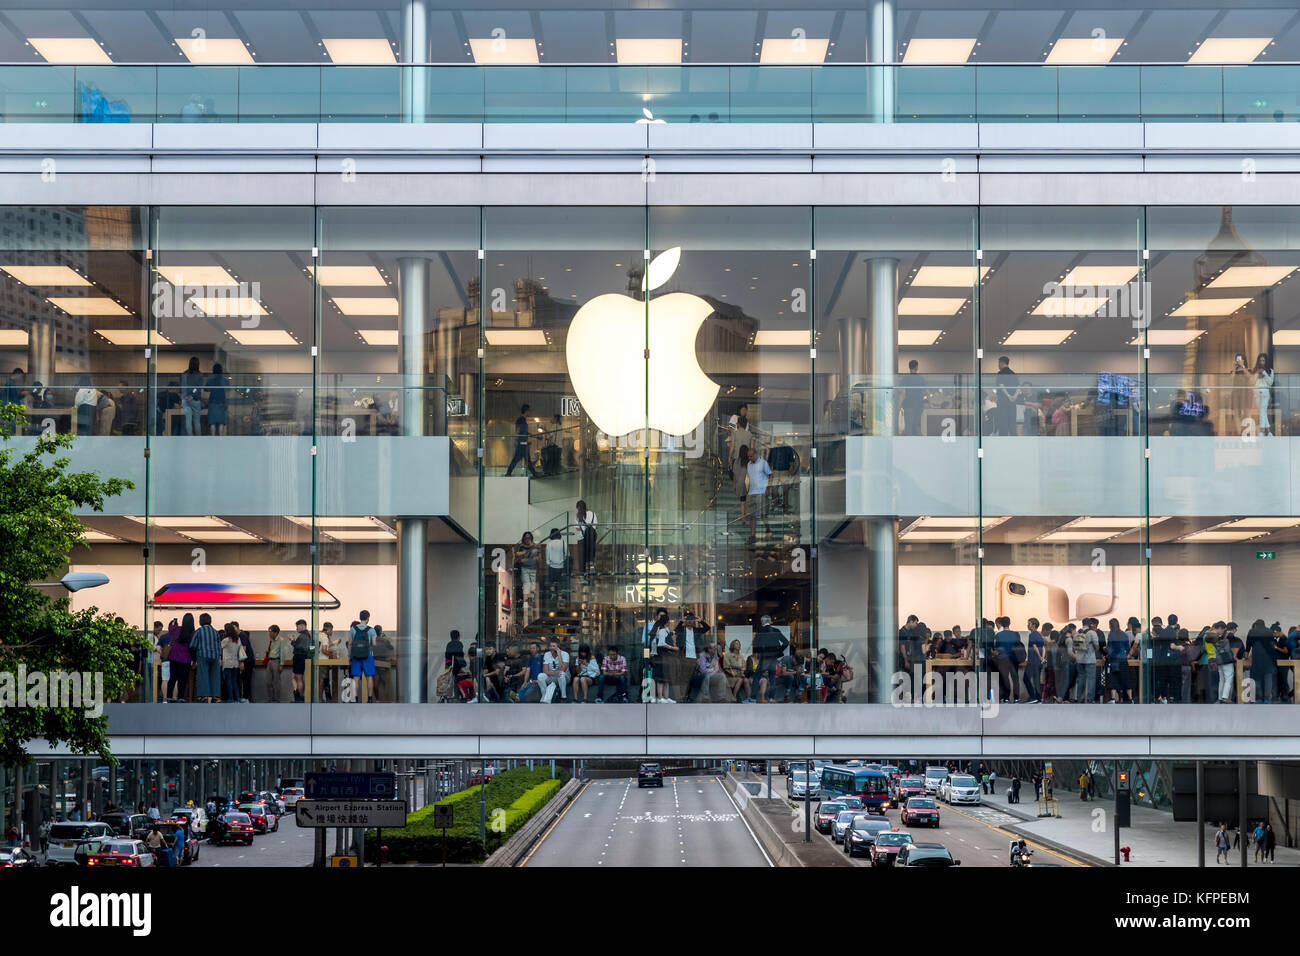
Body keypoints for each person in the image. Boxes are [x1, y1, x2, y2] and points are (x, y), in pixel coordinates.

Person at [749, 615, 788, 702]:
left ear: (762, 622)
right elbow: (786, 642)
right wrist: (778, 652)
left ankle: (752, 698)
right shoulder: (776, 630)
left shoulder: (761, 631)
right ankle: (771, 698)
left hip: (765, 657)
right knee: (772, 677)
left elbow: (755, 645)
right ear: (770, 621)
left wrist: (759, 652)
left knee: (756, 677)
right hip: (773, 657)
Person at [675, 609, 709, 700]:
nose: (689, 621)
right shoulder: (682, 630)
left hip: (694, 657)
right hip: (684, 657)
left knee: (691, 678)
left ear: (694, 621)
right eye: (688, 619)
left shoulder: (696, 630)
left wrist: (700, 620)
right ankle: (683, 696)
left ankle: (688, 695)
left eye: (691, 619)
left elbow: (707, 628)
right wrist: (681, 621)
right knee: (683, 677)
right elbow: (676, 630)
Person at [190, 612, 222, 703]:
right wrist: (219, 656)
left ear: (200, 621)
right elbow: (219, 645)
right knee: (215, 676)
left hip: (203, 655)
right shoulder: (215, 632)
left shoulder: (199, 631)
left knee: (203, 675)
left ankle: (204, 696)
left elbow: (192, 645)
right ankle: (215, 696)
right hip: (215, 656)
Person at [646, 610, 677, 701]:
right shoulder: (660, 629)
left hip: (662, 655)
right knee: (661, 677)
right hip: (660, 655)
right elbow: (650, 643)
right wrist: (673, 648)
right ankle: (660, 697)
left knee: (664, 677)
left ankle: (665, 697)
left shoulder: (662, 629)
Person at [1246, 618, 1278, 703]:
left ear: (1256, 625)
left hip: (1257, 658)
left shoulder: (1252, 631)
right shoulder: (1269, 631)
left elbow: (1248, 644)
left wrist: (1246, 655)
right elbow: (1272, 644)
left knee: (1258, 679)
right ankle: (1267, 699)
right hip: (1268, 659)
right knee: (1268, 679)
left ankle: (1259, 698)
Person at [745, 443, 773, 540]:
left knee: (763, 514)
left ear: (756, 454)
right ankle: (753, 535)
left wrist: (768, 488)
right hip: (751, 492)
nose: (750, 458)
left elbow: (770, 475)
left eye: (751, 456)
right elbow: (749, 477)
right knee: (752, 515)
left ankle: (768, 529)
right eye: (748, 456)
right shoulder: (748, 464)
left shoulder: (763, 463)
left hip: (761, 491)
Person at [349, 610, 377, 703]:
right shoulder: (371, 630)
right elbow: (374, 644)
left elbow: (350, 644)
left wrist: (350, 656)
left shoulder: (353, 629)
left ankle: (356, 699)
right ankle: (369, 699)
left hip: (356, 656)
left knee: (356, 678)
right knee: (369, 677)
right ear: (368, 618)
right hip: (368, 656)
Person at [504, 403, 536, 477]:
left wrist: (535, 436)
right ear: (526, 411)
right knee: (519, 459)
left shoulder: (523, 420)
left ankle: (534, 473)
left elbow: (524, 432)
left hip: (523, 443)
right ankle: (508, 473)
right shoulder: (521, 420)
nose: (530, 412)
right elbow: (518, 430)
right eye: (529, 411)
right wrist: (516, 441)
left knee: (525, 460)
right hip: (521, 443)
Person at [993, 616, 1021, 703]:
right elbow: (1018, 646)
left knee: (1005, 678)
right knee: (1015, 678)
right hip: (1013, 658)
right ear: (1010, 623)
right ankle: (1016, 697)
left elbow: (996, 648)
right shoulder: (1016, 634)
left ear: (1001, 623)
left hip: (1002, 659)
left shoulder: (998, 635)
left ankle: (1006, 697)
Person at [514, 532, 539, 622]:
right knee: (526, 585)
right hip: (525, 568)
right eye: (526, 538)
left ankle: (530, 602)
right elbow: (517, 554)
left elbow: (539, 557)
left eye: (529, 537)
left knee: (533, 587)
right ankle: (525, 603)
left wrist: (537, 558)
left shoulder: (535, 546)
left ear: (531, 538)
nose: (527, 539)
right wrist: (523, 556)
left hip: (533, 569)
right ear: (524, 538)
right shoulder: (522, 547)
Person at [220, 623, 245, 702]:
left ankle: (231, 698)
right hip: (235, 663)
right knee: (234, 682)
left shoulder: (225, 640)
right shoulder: (238, 639)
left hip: (227, 664)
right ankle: (237, 698)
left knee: (228, 682)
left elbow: (219, 648)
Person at [290, 619, 314, 702]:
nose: (296, 629)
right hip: (302, 659)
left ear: (302, 626)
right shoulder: (308, 635)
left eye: (297, 626)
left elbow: (300, 647)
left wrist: (292, 640)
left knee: (299, 678)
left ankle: (299, 697)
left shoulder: (303, 636)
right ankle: (298, 695)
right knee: (294, 677)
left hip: (299, 658)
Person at [994, 355, 1018, 435]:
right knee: (1012, 422)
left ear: (1001, 363)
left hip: (1003, 401)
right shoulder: (1013, 373)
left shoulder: (1000, 373)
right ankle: (1014, 442)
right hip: (1013, 402)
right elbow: (1018, 387)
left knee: (1003, 422)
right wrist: (1014, 396)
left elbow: (1001, 385)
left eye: (998, 363)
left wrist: (1008, 396)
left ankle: (1003, 443)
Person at [265, 624, 289, 703]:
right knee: (268, 682)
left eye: (270, 631)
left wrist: (281, 665)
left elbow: (282, 653)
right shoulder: (271, 641)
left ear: (275, 632)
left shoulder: (281, 640)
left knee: (276, 682)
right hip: (270, 661)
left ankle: (276, 700)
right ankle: (270, 699)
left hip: (276, 662)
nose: (269, 633)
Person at [901, 359, 925, 436]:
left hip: (909, 405)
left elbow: (903, 392)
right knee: (916, 425)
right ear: (916, 367)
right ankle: (920, 443)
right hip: (919, 405)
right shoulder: (921, 378)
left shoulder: (905, 378)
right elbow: (925, 391)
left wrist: (899, 404)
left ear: (909, 367)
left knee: (908, 425)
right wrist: (929, 402)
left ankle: (910, 444)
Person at [180, 356, 203, 436]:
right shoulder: (199, 375)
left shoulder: (184, 374)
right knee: (196, 421)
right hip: (195, 400)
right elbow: (198, 388)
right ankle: (197, 439)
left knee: (188, 420)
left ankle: (190, 437)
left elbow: (183, 387)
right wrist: (192, 396)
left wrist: (186, 396)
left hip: (185, 400)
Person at [544, 527, 568, 604]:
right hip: (561, 566)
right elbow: (567, 554)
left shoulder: (549, 543)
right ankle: (560, 596)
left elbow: (547, 554)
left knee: (551, 581)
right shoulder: (563, 542)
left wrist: (548, 562)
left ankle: (553, 593)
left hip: (552, 566)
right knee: (560, 582)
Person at [1023, 618, 1044, 703]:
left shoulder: (1031, 635)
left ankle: (1033, 697)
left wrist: (1039, 657)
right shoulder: (1039, 635)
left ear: (1034, 625)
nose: (1027, 625)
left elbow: (1034, 647)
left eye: (1029, 624)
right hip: (1038, 662)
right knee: (1036, 680)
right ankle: (1038, 698)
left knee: (1026, 678)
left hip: (1032, 661)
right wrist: (1042, 658)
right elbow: (1043, 647)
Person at [574, 500, 597, 575]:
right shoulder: (593, 514)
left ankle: (583, 574)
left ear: (578, 507)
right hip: (591, 538)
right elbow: (595, 526)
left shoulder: (578, 516)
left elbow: (577, 528)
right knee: (591, 553)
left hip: (582, 539)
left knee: (582, 558)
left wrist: (582, 528)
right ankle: (591, 567)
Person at [205, 363, 228, 436]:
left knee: (212, 423)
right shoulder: (224, 380)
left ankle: (213, 438)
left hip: (212, 403)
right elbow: (229, 388)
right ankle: (220, 438)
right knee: (221, 422)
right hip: (221, 402)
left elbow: (206, 389)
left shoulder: (211, 380)